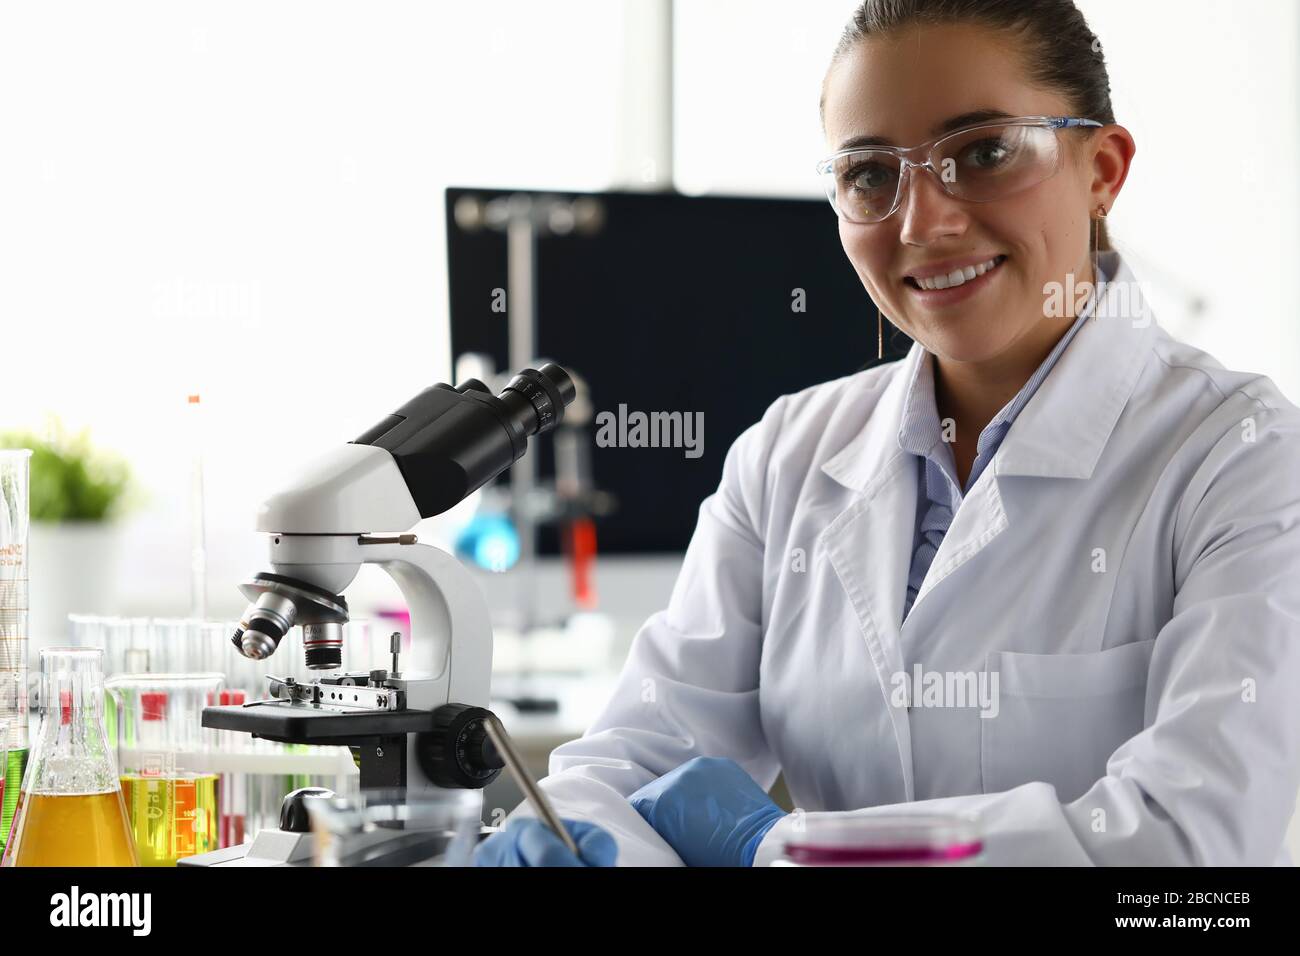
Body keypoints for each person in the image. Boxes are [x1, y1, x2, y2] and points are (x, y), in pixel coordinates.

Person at [476, 0, 1300, 867]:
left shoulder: (1242, 458)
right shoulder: (788, 454)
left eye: (984, 152)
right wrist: (563, 830)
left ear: (1101, 167)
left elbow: (1193, 851)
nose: (923, 223)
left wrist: (784, 851)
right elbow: (636, 758)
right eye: (871, 174)